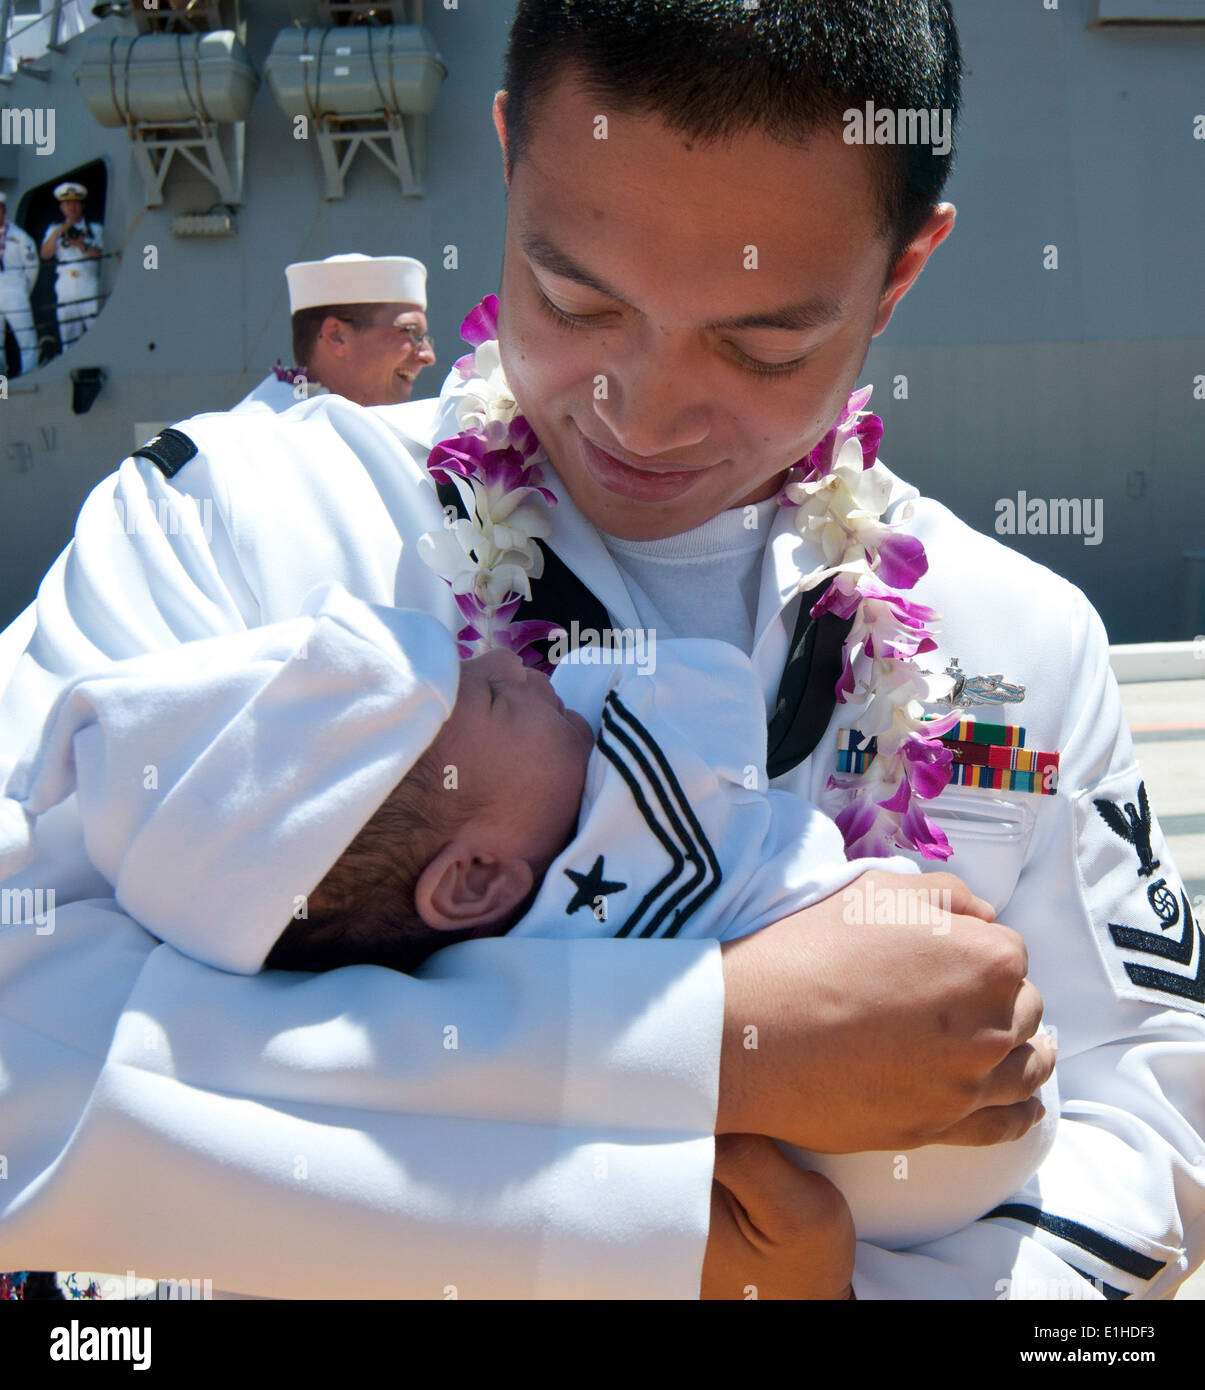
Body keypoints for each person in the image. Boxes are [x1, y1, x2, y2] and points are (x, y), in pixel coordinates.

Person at [0, 0, 1200, 1301]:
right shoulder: (233, 527)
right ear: (511, 158)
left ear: (901, 273)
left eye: (762, 342)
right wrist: (707, 1048)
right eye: (574, 298)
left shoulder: (1019, 643)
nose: (642, 408)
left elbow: (1144, 1112)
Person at [0, 583, 1060, 1255]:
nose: (511, 659)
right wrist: (728, 1037)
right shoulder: (630, 807)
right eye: (493, 698)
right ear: (470, 886)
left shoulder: (1025, 621)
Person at [233, 252, 436, 414]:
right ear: (336, 336)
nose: (428, 357)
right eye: (410, 332)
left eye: (425, 338)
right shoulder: (254, 438)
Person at [40, 182, 103, 348]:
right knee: (68, 335)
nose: (71, 207)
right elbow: (45, 254)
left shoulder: (95, 229)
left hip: (88, 283)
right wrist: (57, 233)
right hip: (66, 285)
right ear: (62, 207)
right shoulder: (54, 229)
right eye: (67, 204)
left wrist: (80, 244)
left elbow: (101, 254)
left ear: (82, 205)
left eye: (75, 203)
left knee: (96, 330)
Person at [0, 190, 40, 376]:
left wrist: (22, 291)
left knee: (26, 339)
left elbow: (32, 268)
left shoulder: (20, 237)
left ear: (4, 210)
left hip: (14, 292)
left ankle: (29, 375)